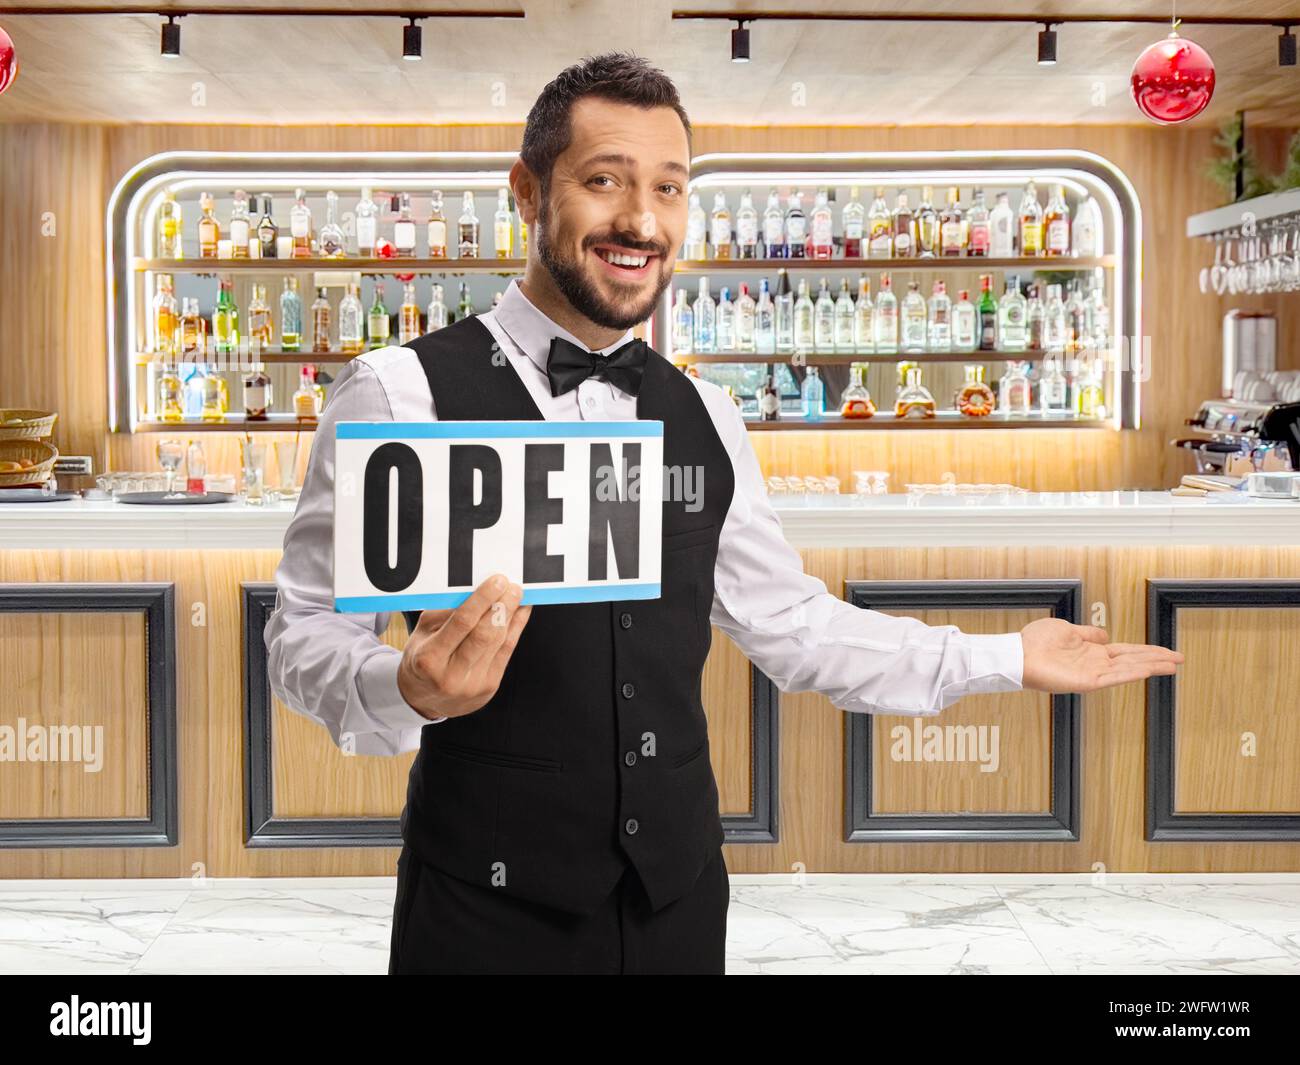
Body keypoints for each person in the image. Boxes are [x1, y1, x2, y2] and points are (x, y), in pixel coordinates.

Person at [264, 52, 1183, 975]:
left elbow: (793, 624)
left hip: (679, 896)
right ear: (527, 193)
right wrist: (404, 688)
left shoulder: (705, 414)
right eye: (603, 181)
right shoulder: (398, 392)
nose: (640, 220)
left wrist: (1004, 656)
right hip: (483, 907)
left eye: (670, 188)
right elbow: (303, 632)